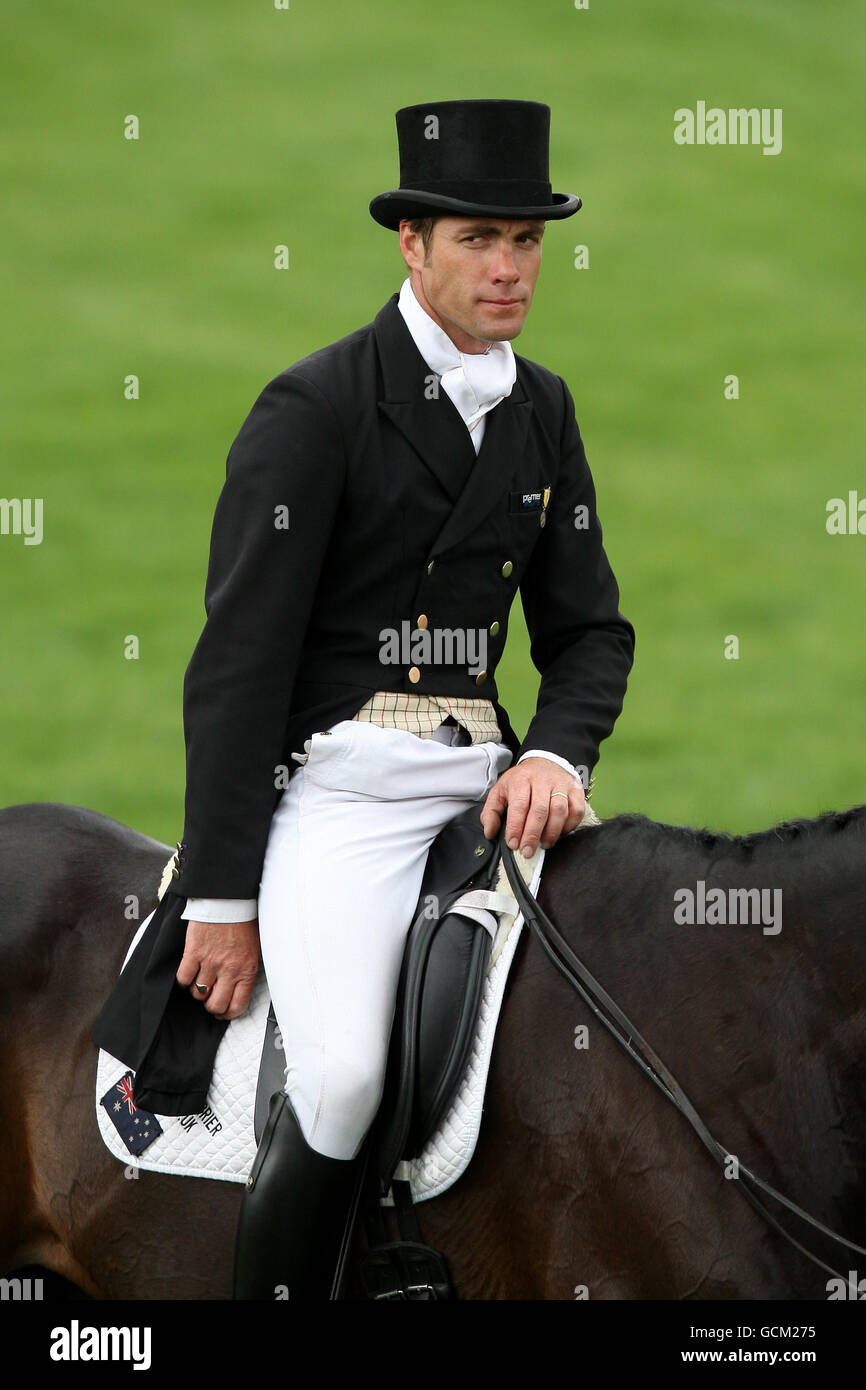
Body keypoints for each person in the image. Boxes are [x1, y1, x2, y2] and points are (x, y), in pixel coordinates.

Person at [169, 99, 634, 1299]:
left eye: (527, 242)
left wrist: (560, 760)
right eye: (480, 239)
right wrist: (221, 896)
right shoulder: (316, 409)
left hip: (495, 792)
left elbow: (588, 633)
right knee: (341, 1080)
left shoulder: (544, 411)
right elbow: (235, 669)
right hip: (343, 791)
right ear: (410, 244)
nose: (509, 269)